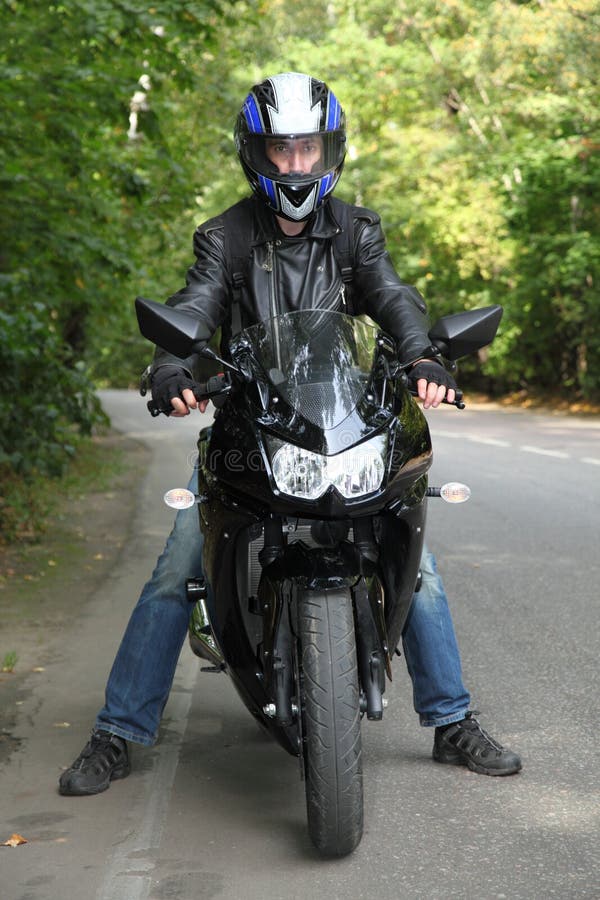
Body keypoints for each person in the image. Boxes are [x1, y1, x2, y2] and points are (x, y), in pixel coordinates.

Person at [59, 73, 521, 796]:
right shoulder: (226, 236)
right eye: (282, 149)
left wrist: (423, 355)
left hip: (345, 426)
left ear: (329, 149)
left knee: (415, 559)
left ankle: (451, 719)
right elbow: (196, 304)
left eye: (308, 147)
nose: (297, 164)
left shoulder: (358, 232)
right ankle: (118, 732)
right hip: (253, 427)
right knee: (178, 569)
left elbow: (393, 296)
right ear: (258, 153)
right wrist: (172, 366)